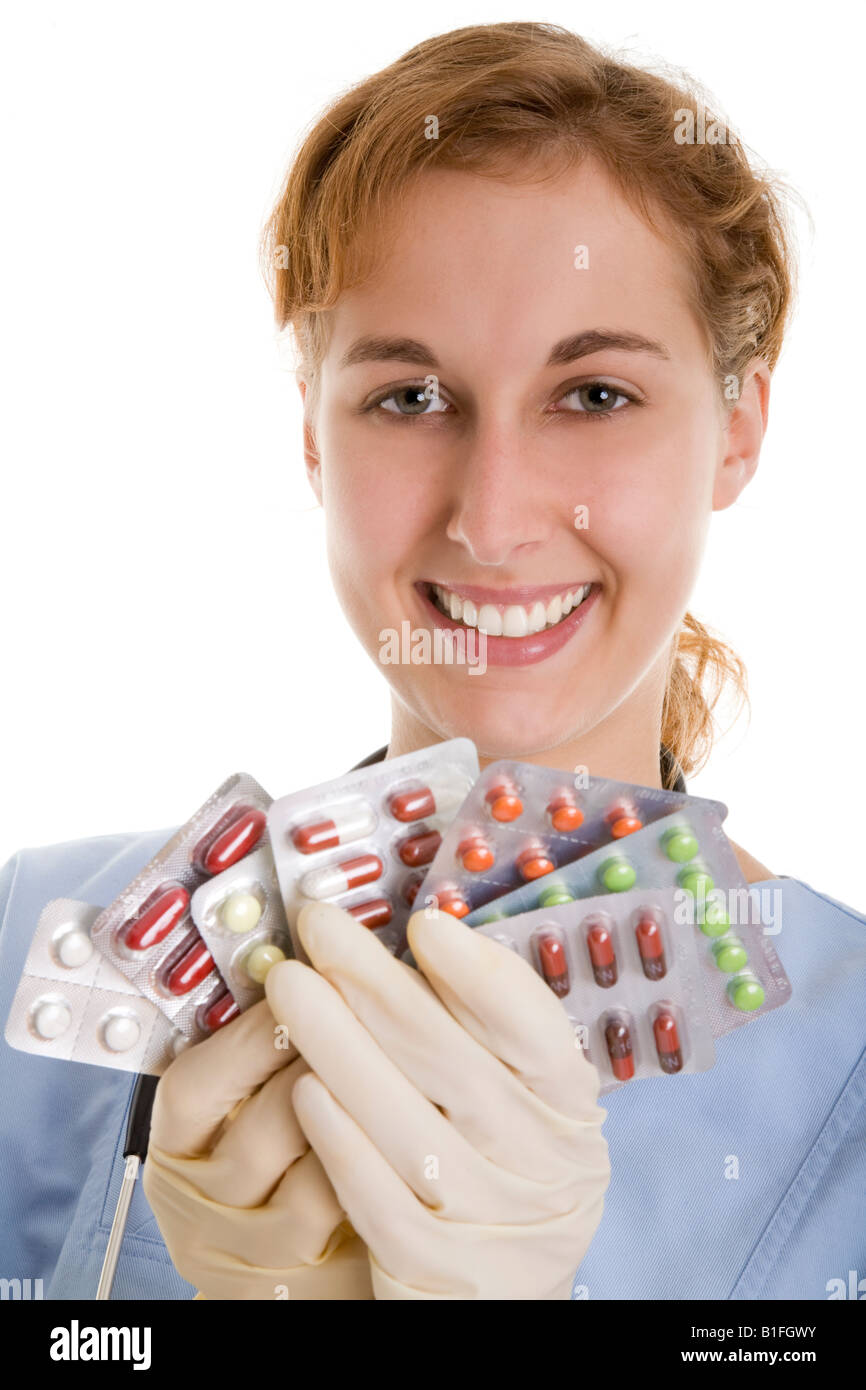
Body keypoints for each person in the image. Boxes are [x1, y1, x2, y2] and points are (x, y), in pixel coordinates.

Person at [2, 21, 864, 1301]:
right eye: (408, 397)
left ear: (736, 427)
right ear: (310, 432)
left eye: (594, 395)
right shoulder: (38, 951)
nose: (492, 515)